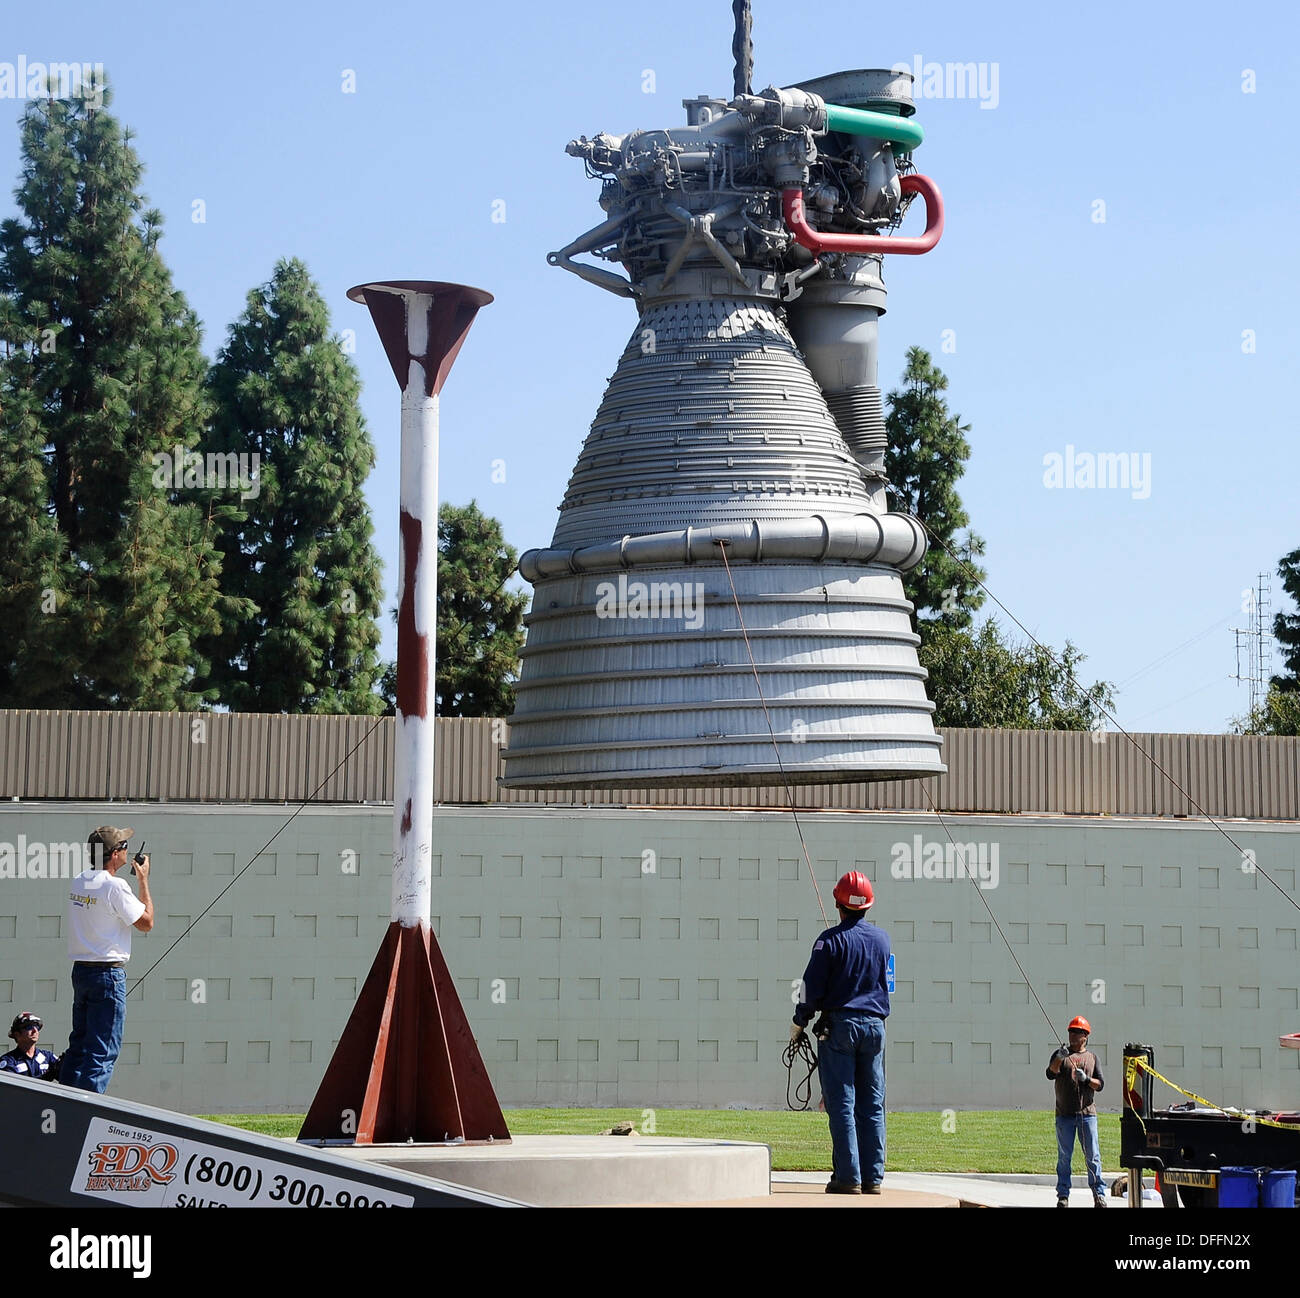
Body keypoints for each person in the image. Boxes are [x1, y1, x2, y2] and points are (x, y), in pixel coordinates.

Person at [791, 870, 890, 1195]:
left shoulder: (828, 941)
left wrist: (799, 1021)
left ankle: (848, 1177)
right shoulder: (883, 940)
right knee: (872, 1103)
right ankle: (873, 1178)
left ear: (838, 902)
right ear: (868, 906)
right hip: (875, 1027)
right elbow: (885, 984)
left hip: (840, 1027)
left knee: (842, 1102)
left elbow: (809, 989)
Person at [61, 825, 153, 1093]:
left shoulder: (80, 879)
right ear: (114, 854)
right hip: (107, 976)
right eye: (124, 846)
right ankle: (85, 1113)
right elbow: (146, 923)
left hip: (82, 972)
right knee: (102, 1052)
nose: (127, 850)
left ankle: (62, 1106)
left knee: (79, 1046)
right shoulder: (116, 886)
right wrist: (143, 879)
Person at [1047, 1014, 1106, 1207]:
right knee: (1064, 1157)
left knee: (1093, 1157)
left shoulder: (1092, 1058)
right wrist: (1059, 1058)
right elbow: (1050, 1073)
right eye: (1071, 1032)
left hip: (1087, 1115)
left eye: (1077, 1032)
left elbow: (1100, 1085)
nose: (1072, 1036)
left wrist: (1087, 1080)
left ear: (1085, 1036)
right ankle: (1063, 1195)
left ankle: (1099, 1194)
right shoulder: (1061, 1054)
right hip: (1064, 1115)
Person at [0, 1012, 61, 1080]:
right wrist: (45, 1077)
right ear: (17, 1035)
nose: (35, 1031)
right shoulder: (9, 1061)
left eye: (37, 1027)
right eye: (29, 1027)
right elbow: (10, 1088)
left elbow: (66, 1077)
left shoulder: (48, 1057)